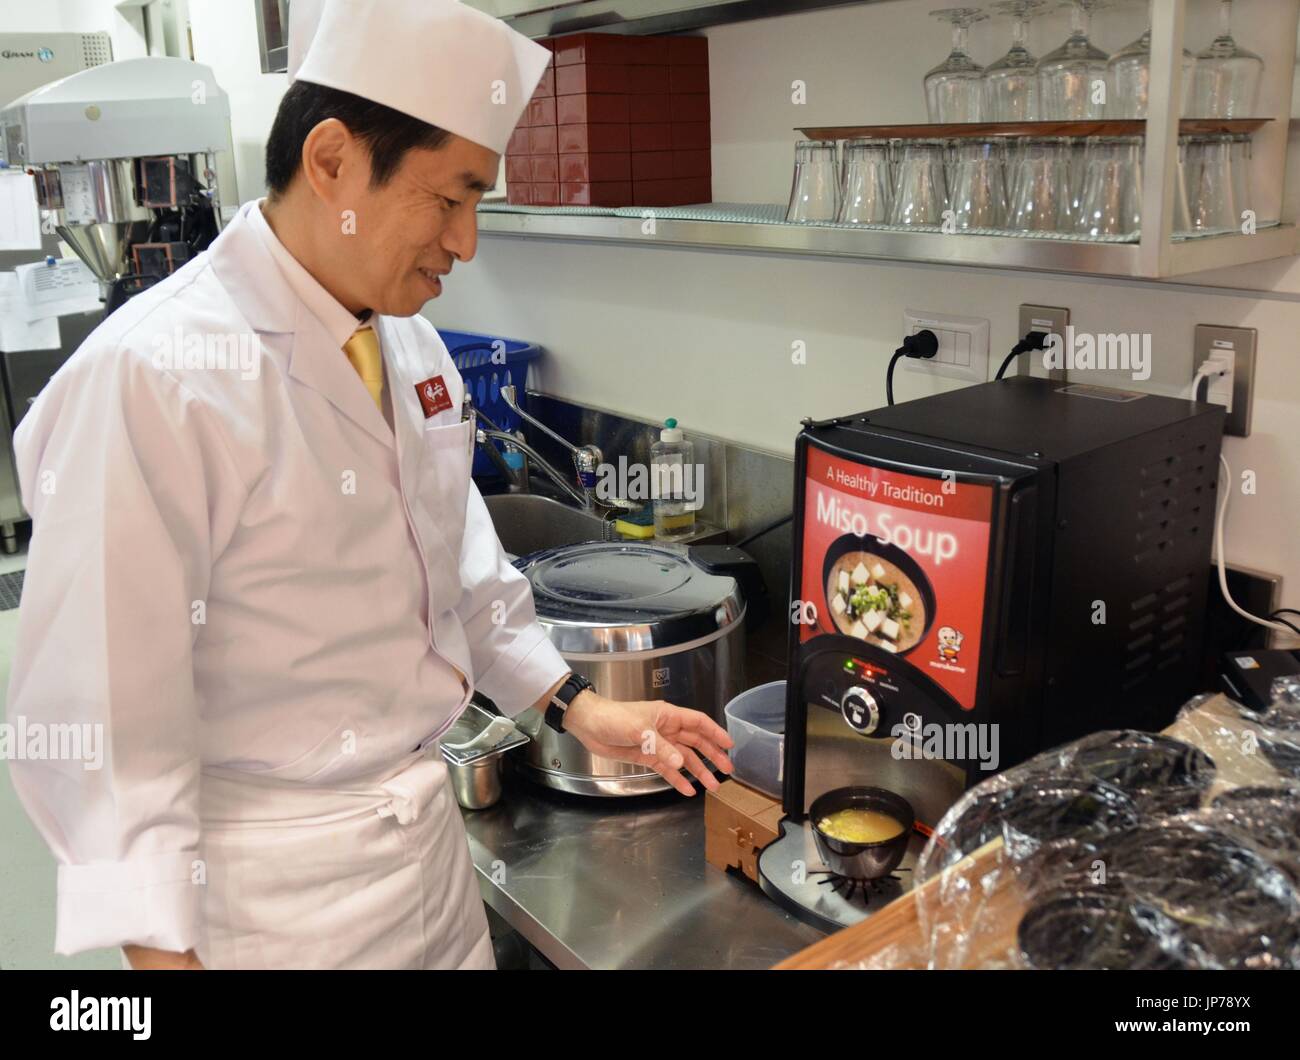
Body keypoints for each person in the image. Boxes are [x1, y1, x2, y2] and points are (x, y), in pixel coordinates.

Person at [7, 0, 733, 970]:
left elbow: (464, 579)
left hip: (426, 869)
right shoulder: (155, 379)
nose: (467, 241)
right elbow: (108, 728)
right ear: (334, 161)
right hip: (268, 905)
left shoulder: (409, 345)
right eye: (450, 199)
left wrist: (580, 707)